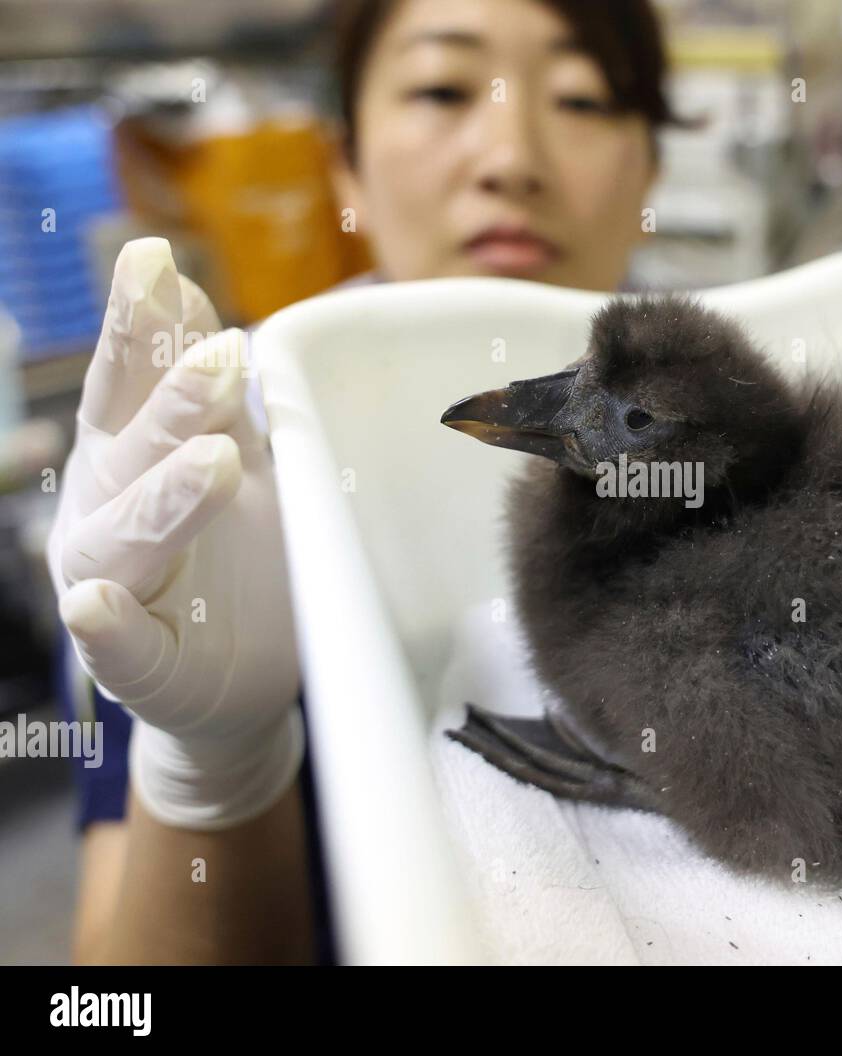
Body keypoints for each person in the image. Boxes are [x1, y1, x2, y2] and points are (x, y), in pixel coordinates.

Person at [46, 0, 686, 964]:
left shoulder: (735, 439)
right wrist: (213, 770)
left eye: (581, 98)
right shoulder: (216, 468)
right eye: (441, 88)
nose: (510, 156)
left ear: (649, 166)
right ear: (347, 165)